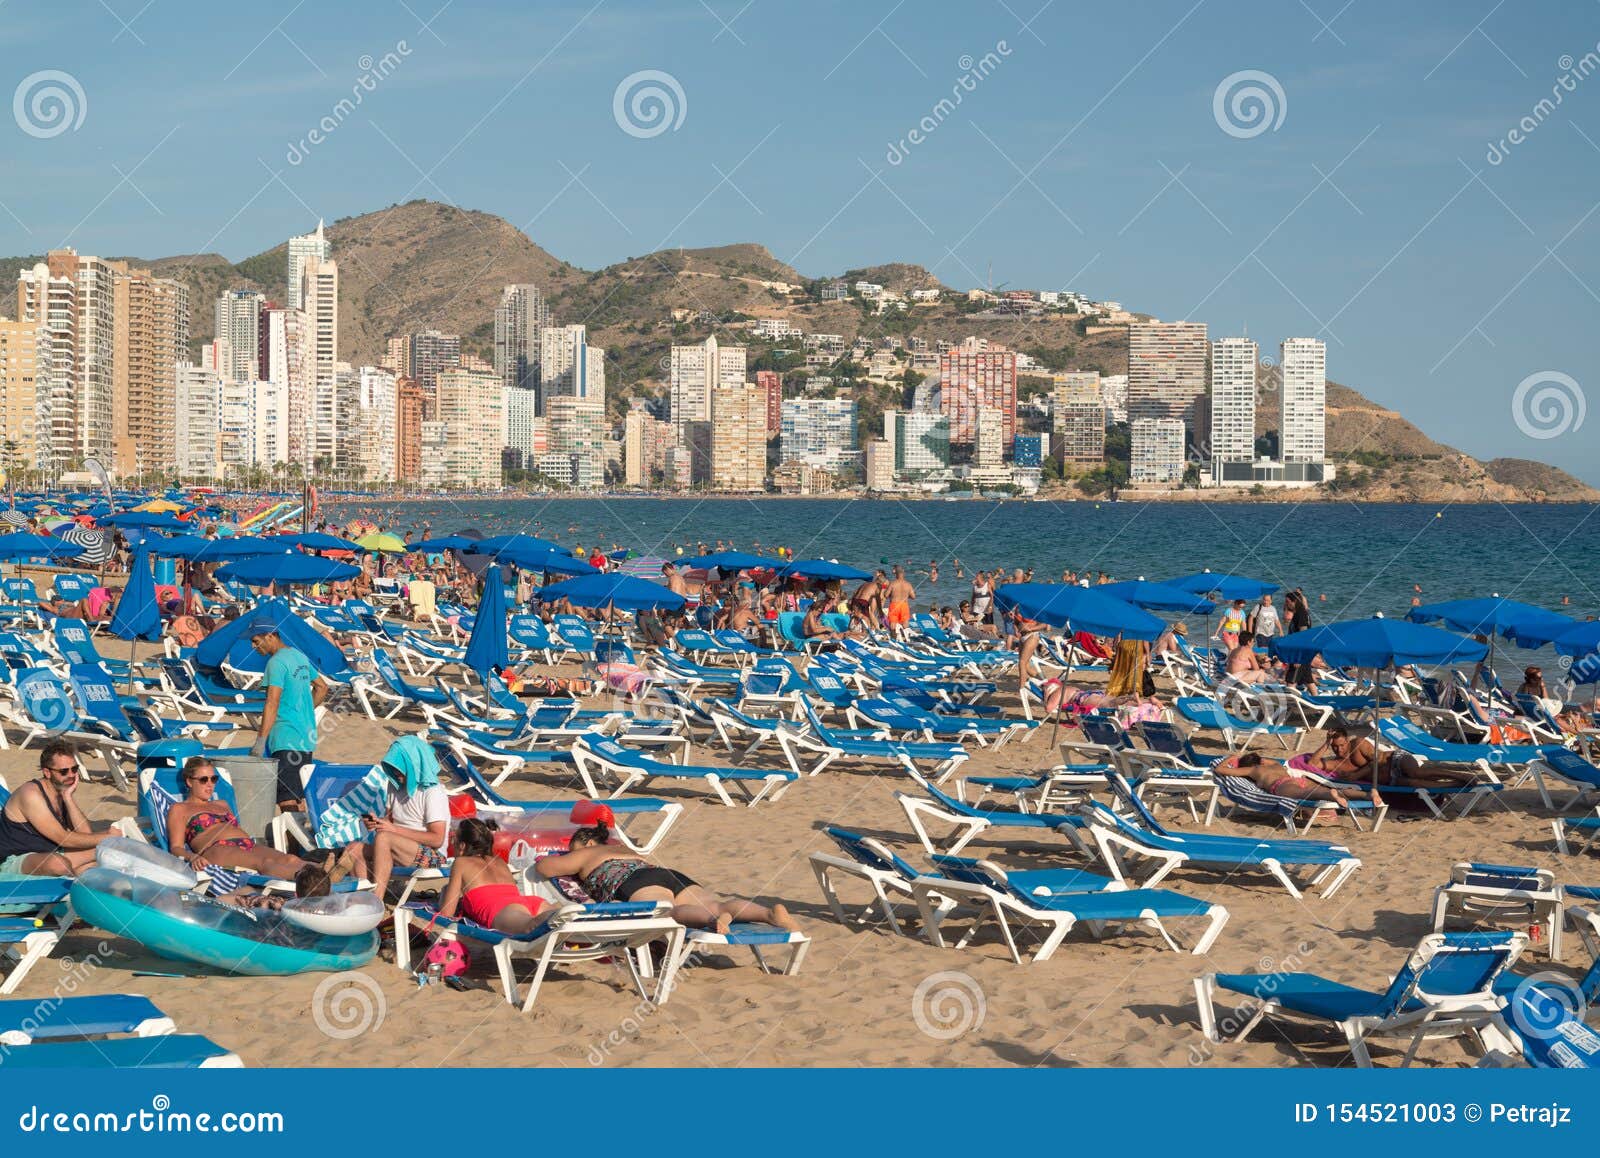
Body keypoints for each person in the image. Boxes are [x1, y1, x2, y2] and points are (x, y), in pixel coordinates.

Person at [537, 819, 799, 933]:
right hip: (664, 874)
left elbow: (545, 868)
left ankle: (711, 920)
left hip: (633, 882)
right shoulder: (624, 849)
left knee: (667, 913)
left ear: (588, 843)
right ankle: (769, 915)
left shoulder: (588, 853)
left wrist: (563, 858)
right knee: (716, 902)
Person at [166, 755, 323, 878]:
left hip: (247, 844)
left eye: (213, 779)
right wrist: (192, 857)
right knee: (264, 863)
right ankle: (308, 879)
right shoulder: (180, 809)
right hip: (217, 849)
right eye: (203, 780)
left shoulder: (222, 804)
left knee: (291, 859)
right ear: (189, 781)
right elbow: (176, 848)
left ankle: (325, 872)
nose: (210, 784)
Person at [339, 737, 450, 897]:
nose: (396, 772)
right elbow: (389, 822)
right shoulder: (395, 785)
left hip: (433, 857)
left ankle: (376, 899)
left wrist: (393, 830)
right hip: (399, 848)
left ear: (413, 765)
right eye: (393, 767)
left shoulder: (432, 792)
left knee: (384, 838)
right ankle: (362, 900)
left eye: (400, 767)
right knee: (354, 848)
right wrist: (376, 823)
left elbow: (437, 839)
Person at [248, 617, 329, 812]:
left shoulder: (275, 663)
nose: (253, 646)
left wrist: (260, 741)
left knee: (287, 801)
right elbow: (322, 688)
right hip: (305, 736)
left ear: (270, 636)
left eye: (256, 641)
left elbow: (272, 703)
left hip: (285, 737)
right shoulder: (298, 657)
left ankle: (293, 843)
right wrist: (304, 710)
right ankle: (299, 842)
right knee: (298, 797)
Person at [0, 742, 110, 876]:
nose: (71, 775)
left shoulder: (60, 791)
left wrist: (68, 798)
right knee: (60, 864)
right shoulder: (31, 794)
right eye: (64, 771)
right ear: (47, 772)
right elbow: (63, 838)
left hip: (50, 854)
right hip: (15, 859)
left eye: (74, 769)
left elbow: (86, 834)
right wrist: (107, 837)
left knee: (101, 856)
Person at [437, 818, 557, 933]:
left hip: (503, 910)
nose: (452, 844)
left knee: (532, 928)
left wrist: (444, 891)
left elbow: (447, 914)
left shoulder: (460, 863)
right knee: (563, 920)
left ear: (462, 846)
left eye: (454, 840)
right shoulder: (499, 860)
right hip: (530, 902)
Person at [1305, 722, 1483, 789]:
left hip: (1395, 759)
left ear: (1347, 740)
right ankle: (1456, 784)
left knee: (1416, 773)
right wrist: (1326, 743)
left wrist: (1356, 775)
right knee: (1414, 784)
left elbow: (1376, 760)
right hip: (1389, 779)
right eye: (1334, 747)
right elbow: (1312, 764)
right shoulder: (1335, 763)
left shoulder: (1358, 743)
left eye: (1340, 745)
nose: (1339, 750)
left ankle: (1460, 775)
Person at [1219, 752, 1368, 819]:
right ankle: (1366, 795)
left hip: (1282, 786)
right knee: (1323, 790)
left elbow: (1219, 769)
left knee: (1312, 794)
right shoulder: (1276, 764)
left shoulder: (1252, 769)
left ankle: (1331, 795)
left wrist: (1231, 758)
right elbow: (1264, 760)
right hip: (1297, 779)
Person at [885, 565, 916, 639]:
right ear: (903, 574)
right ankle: (907, 639)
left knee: (893, 623)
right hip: (904, 605)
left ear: (896, 574)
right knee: (905, 623)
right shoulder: (908, 584)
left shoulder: (893, 583)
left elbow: (886, 595)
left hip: (894, 605)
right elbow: (913, 597)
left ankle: (893, 639)